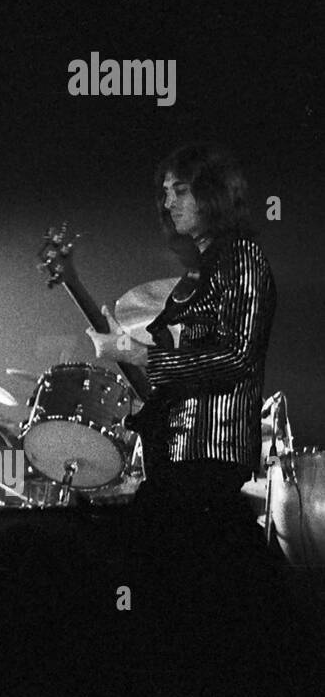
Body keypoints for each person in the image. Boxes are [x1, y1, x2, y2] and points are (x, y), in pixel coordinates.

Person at [88, 143, 276, 543]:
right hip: (177, 450)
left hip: (212, 450)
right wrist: (129, 342)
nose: (169, 202)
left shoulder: (242, 258)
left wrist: (137, 353)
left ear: (213, 196)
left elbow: (237, 356)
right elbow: (182, 363)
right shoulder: (200, 271)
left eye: (182, 190)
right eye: (166, 192)